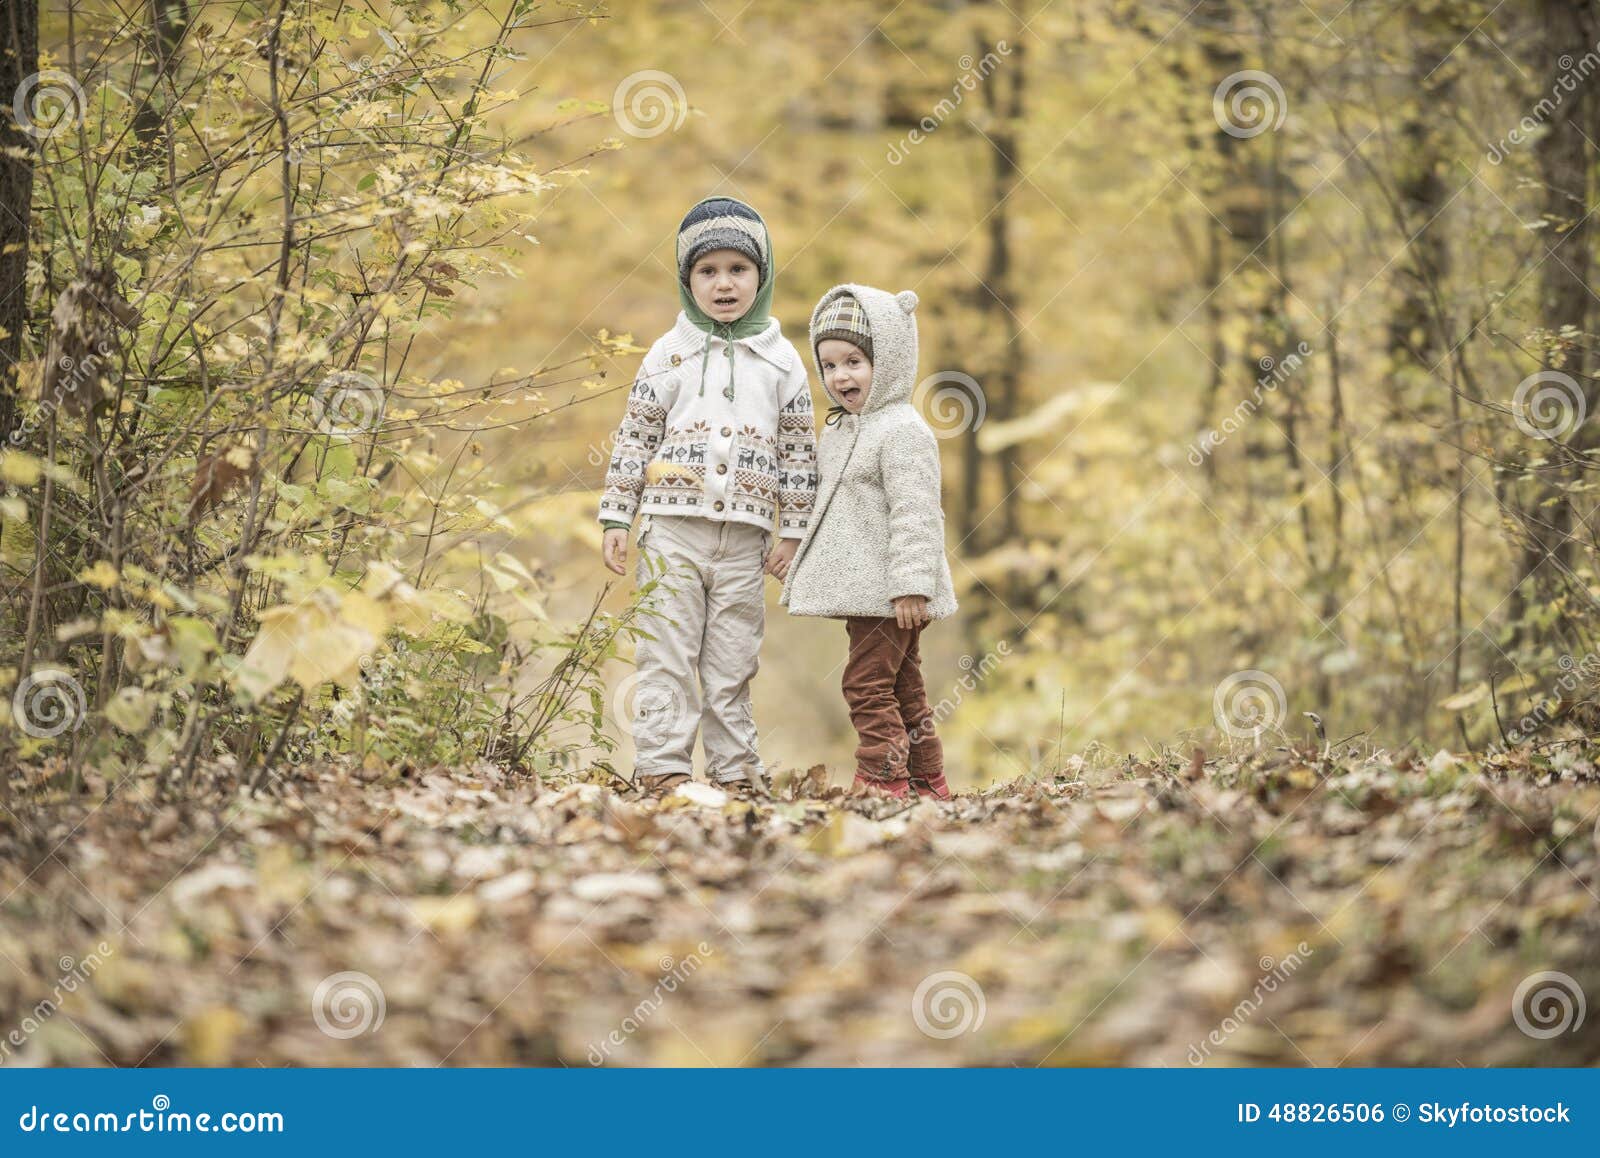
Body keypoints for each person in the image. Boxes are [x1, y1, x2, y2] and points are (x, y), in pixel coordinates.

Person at [598, 197, 816, 795]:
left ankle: (735, 773)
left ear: (762, 275)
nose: (723, 284)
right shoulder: (667, 355)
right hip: (670, 531)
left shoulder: (782, 362)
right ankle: (663, 770)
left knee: (731, 662)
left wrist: (792, 531)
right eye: (708, 271)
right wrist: (618, 515)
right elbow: (634, 439)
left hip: (746, 541)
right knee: (664, 655)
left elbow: (800, 454)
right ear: (687, 278)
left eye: (738, 270)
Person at [780, 285, 956, 799]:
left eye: (855, 361)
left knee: (864, 685)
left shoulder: (902, 430)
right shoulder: (843, 430)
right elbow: (830, 508)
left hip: (893, 591)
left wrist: (912, 585)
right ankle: (928, 782)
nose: (841, 377)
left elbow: (917, 513)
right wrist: (794, 555)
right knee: (903, 688)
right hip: (870, 591)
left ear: (890, 358)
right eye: (829, 365)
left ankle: (882, 782)